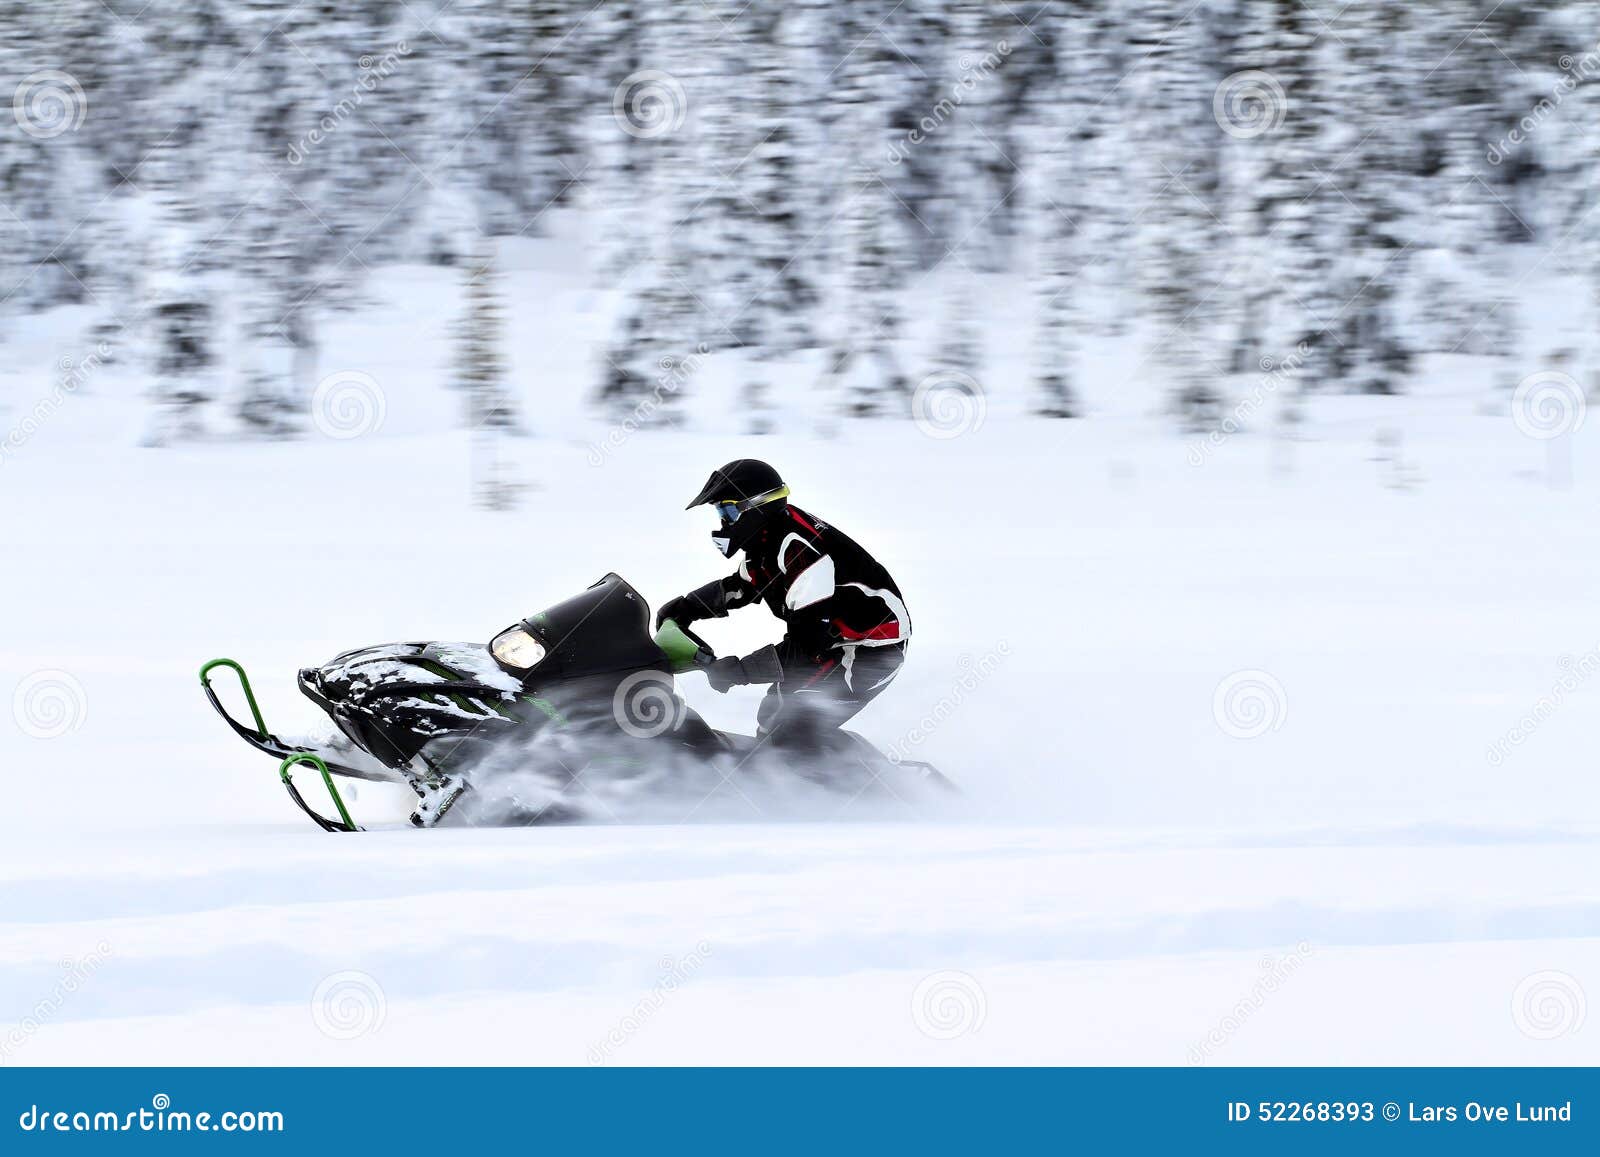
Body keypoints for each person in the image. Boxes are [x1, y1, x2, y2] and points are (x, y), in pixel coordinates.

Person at [656, 459, 911, 751]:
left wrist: (740, 670)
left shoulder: (800, 552)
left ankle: (861, 789)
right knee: (773, 716)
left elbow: (807, 644)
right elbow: (741, 588)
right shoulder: (766, 541)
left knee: (795, 730)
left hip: (872, 650)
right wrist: (686, 608)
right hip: (834, 641)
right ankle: (786, 778)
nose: (723, 523)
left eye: (726, 511)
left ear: (754, 508)